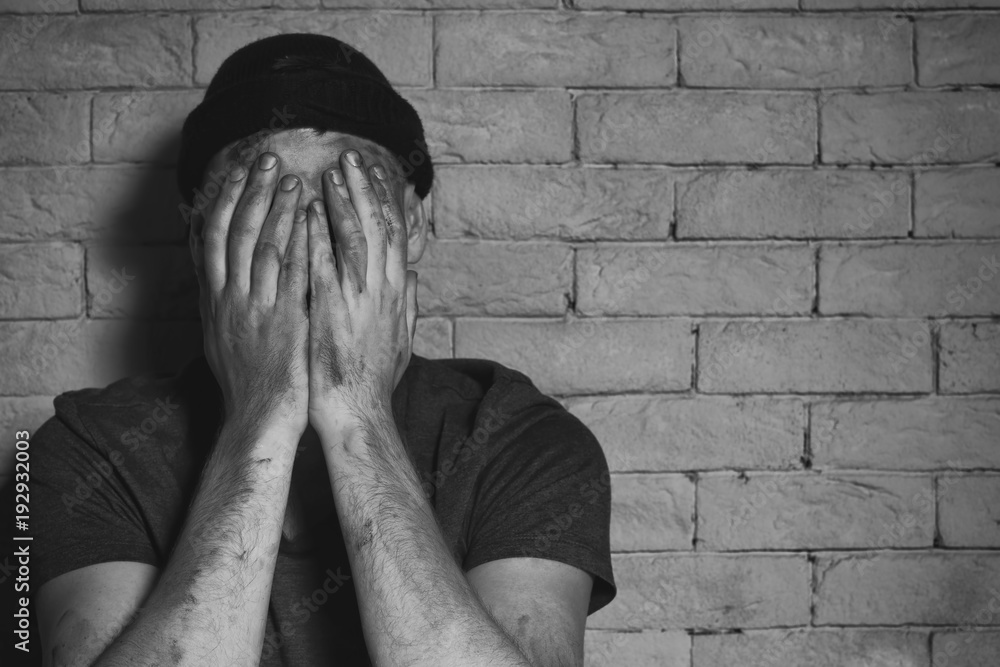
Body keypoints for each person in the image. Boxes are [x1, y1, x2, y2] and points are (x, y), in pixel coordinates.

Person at [30, 33, 616, 667]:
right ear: (200, 232)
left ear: (413, 224)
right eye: (264, 195)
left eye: (348, 190)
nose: (310, 235)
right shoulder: (84, 451)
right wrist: (260, 412)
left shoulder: (521, 439)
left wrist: (356, 408)